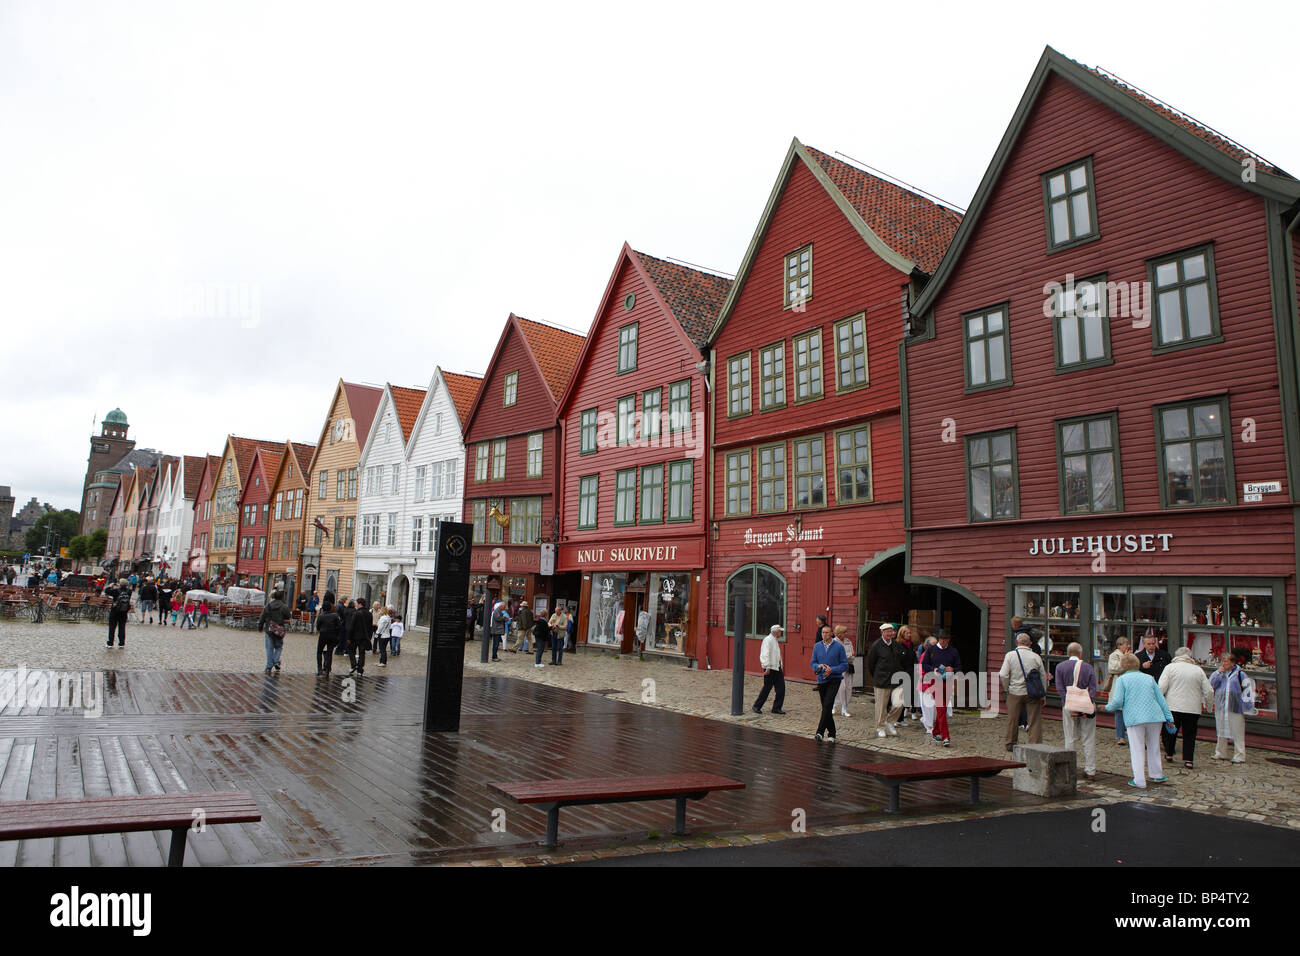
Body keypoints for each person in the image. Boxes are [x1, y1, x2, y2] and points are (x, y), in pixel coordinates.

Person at [1106, 652, 1175, 788]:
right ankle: (1157, 774)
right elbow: (1161, 699)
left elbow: (1118, 701)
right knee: (1153, 746)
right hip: (1154, 716)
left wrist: (1107, 707)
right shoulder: (1149, 678)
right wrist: (1169, 717)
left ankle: (1139, 780)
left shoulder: (1122, 680)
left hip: (1135, 717)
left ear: (1123, 665)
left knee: (1137, 749)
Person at [1159, 646, 1215, 769]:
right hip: (1192, 707)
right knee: (1189, 734)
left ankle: (1169, 753)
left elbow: (1161, 687)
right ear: (1189, 656)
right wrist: (1209, 707)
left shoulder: (1170, 668)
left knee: (1171, 731)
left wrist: (1158, 702)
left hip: (1173, 705)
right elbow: (1209, 691)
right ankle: (1189, 759)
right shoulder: (1198, 670)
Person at [1054, 642, 1098, 779]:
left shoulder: (1060, 667)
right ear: (1080, 653)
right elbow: (1093, 688)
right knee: (1088, 738)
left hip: (1068, 705)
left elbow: (1060, 688)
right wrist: (1087, 703)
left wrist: (1068, 700)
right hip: (1086, 705)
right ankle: (1090, 769)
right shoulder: (1088, 667)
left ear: (1068, 653)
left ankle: (1069, 768)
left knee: (1070, 737)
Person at [999, 633, 1047, 751]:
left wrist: (1007, 688)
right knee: (1034, 719)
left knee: (1012, 719)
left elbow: (1003, 674)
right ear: (1029, 643)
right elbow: (1043, 677)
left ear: (1017, 642)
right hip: (1032, 692)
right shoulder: (1036, 657)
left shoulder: (1010, 656)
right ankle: (1034, 744)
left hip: (1015, 691)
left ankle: (1010, 743)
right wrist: (1043, 694)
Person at [1210, 652, 1252, 764]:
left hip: (1235, 707)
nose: (1223, 663)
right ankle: (1220, 752)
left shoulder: (1240, 674)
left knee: (1237, 731)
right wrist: (1218, 673)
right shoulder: (1220, 673)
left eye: (1226, 661)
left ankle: (1240, 755)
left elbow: (1247, 690)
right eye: (1222, 661)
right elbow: (1211, 684)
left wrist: (1247, 706)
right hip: (1221, 706)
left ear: (1232, 663)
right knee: (1221, 729)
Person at [867, 622, 907, 737]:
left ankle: (890, 721)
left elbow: (899, 661)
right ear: (882, 632)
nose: (890, 633)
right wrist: (877, 677)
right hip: (881, 681)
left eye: (891, 631)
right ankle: (880, 727)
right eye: (887, 631)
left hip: (895, 680)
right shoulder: (876, 645)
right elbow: (871, 664)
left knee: (900, 702)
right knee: (881, 706)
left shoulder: (895, 644)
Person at [922, 629, 962, 745]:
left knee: (942, 709)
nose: (943, 642)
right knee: (941, 708)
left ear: (949, 640)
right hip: (935, 682)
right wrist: (932, 670)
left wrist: (953, 669)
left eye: (945, 640)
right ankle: (945, 737)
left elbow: (959, 666)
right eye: (941, 639)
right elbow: (924, 664)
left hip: (948, 682)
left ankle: (935, 732)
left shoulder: (953, 651)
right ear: (939, 639)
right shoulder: (931, 650)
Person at [810, 623, 848, 742]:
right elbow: (813, 663)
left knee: (828, 704)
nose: (824, 634)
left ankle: (819, 732)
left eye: (827, 632)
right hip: (822, 679)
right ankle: (832, 733)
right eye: (822, 633)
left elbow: (844, 665)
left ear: (832, 633)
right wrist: (818, 666)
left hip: (834, 679)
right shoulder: (817, 646)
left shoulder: (839, 647)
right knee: (825, 707)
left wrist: (832, 669)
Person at [1102, 636, 1131, 746]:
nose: (1128, 646)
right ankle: (1120, 736)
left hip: (1129, 686)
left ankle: (1130, 734)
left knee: (1129, 711)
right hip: (1118, 686)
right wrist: (1126, 660)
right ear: (1120, 645)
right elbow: (1113, 668)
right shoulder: (1114, 655)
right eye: (1126, 644)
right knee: (1119, 712)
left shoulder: (1129, 655)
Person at [752, 624, 785, 714]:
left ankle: (776, 708)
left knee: (781, 689)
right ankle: (757, 706)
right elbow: (764, 654)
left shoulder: (774, 640)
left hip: (776, 668)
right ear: (777, 632)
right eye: (780, 631)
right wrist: (767, 666)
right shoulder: (768, 640)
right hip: (770, 668)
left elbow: (777, 655)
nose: (781, 633)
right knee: (767, 688)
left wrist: (780, 665)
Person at [258, 589, 292, 675]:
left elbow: (262, 617)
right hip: (279, 630)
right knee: (278, 647)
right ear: (282, 597)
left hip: (269, 630)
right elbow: (288, 616)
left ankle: (269, 666)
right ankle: (276, 660)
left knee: (269, 649)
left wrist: (260, 627)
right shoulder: (284, 606)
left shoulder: (268, 606)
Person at [832, 625, 856, 718]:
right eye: (844, 632)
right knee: (841, 688)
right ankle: (834, 705)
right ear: (838, 633)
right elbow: (837, 656)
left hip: (848, 667)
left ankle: (845, 708)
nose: (846, 634)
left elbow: (853, 656)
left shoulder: (848, 641)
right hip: (838, 669)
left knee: (848, 688)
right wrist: (849, 655)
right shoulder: (834, 642)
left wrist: (849, 656)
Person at [897, 625, 920, 721]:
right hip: (902, 673)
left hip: (912, 672)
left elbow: (914, 657)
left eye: (910, 633)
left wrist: (916, 666)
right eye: (907, 633)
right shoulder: (897, 645)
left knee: (914, 692)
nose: (909, 635)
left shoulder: (910, 644)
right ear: (902, 634)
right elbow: (897, 660)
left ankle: (913, 710)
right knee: (902, 695)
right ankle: (900, 716)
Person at [917, 636, 938, 732]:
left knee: (933, 707)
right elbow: (922, 671)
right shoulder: (924, 655)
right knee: (927, 707)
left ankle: (928, 721)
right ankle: (929, 727)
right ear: (928, 645)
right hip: (926, 684)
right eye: (933, 644)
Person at [315, 600, 342, 675]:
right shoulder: (335, 616)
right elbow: (339, 626)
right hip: (332, 636)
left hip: (323, 635)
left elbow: (318, 627)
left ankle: (319, 669)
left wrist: (320, 630)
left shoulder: (321, 616)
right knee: (329, 653)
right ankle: (327, 670)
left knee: (319, 652)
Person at [349, 598, 373, 675]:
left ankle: (353, 665)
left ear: (360, 604)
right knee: (362, 653)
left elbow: (352, 626)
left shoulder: (356, 613)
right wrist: (369, 637)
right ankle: (360, 669)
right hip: (364, 637)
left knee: (351, 650)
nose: (355, 604)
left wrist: (349, 637)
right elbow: (370, 627)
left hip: (355, 636)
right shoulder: (369, 614)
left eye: (356, 603)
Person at [105, 577, 130, 648]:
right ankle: (121, 643)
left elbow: (107, 591)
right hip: (124, 611)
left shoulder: (116, 591)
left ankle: (110, 643)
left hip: (115, 611)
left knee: (112, 627)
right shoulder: (129, 591)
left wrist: (110, 586)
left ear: (120, 584)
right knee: (122, 627)